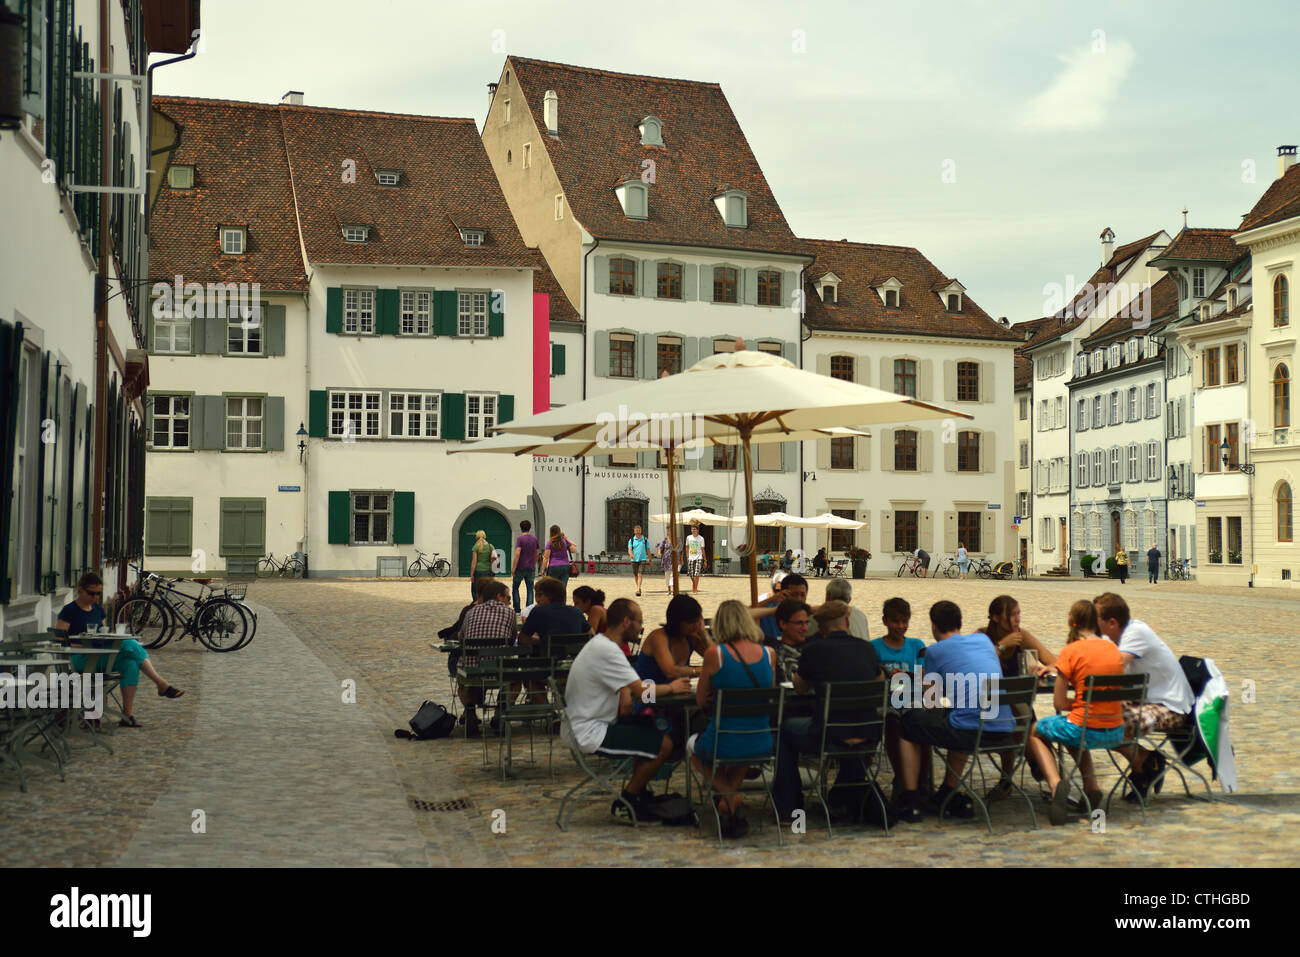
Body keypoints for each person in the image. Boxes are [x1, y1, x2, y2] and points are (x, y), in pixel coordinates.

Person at [560, 598, 691, 824]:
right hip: (590, 731)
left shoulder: (600, 644)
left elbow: (633, 689)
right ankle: (628, 799)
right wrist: (672, 688)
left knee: (649, 728)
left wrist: (632, 690)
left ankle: (639, 793)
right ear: (626, 622)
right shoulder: (609, 651)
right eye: (639, 621)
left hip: (586, 723)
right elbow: (642, 691)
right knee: (664, 744)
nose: (641, 627)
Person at [892, 600, 1015, 822]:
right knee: (961, 715)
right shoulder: (984, 641)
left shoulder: (935, 651)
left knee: (909, 724)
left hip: (971, 731)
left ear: (933, 625)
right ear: (960, 622)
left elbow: (931, 703)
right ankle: (947, 792)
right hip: (1004, 730)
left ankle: (910, 798)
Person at [773, 600, 886, 824]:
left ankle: (789, 807)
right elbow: (879, 681)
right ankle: (840, 797)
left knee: (783, 730)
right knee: (851, 731)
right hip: (868, 733)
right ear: (847, 622)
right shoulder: (867, 648)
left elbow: (799, 687)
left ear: (821, 629)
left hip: (829, 734)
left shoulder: (814, 650)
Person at [1025, 599, 1125, 825]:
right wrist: (1086, 705)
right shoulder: (1112, 648)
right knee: (1073, 726)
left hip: (1085, 729)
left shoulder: (1071, 651)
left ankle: (1055, 784)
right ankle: (1091, 787)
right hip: (1116, 730)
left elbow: (1059, 702)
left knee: (1035, 732)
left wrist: (1082, 705)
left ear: (1072, 621)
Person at [1094, 592, 1194, 799]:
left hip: (1170, 707)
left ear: (1112, 623)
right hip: (1145, 701)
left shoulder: (1136, 632)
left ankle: (1143, 767)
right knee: (1090, 719)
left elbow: (1114, 666)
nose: (1091, 623)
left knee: (1107, 724)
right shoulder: (1111, 637)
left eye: (1095, 619)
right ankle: (1146, 759)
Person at [689, 600, 776, 838]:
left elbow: (701, 700)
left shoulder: (715, 654)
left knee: (693, 749)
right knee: (743, 747)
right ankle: (730, 804)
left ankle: (728, 795)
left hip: (724, 738)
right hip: (760, 740)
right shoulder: (769, 654)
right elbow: (768, 698)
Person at [55, 572, 184, 728]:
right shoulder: (69, 611)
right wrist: (83, 646)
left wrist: (109, 638)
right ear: (80, 590)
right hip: (80, 658)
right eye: (91, 593)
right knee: (129, 644)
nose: (95, 597)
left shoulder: (98, 610)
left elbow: (103, 634)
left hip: (101, 656)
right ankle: (161, 684)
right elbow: (59, 641)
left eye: (98, 593)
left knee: (130, 663)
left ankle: (127, 715)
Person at [978, 594, 1057, 798]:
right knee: (1018, 712)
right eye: (1012, 615)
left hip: (1015, 710)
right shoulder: (982, 637)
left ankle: (1009, 780)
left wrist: (1044, 669)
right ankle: (1040, 763)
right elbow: (977, 665)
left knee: (1016, 710)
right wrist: (1002, 646)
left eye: (1018, 614)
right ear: (996, 617)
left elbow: (1054, 662)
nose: (1017, 619)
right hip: (988, 708)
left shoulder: (1022, 637)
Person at [871, 597, 927, 779]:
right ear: (885, 621)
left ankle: (920, 779)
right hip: (887, 704)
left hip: (913, 702)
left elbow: (924, 677)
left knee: (922, 725)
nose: (901, 626)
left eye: (905, 621)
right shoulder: (874, 647)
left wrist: (905, 676)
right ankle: (902, 777)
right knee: (893, 723)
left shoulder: (917, 645)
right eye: (896, 621)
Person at [455, 578, 517, 735]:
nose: (509, 601)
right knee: (515, 680)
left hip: (472, 670)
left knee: (463, 680)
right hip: (499, 669)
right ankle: (500, 712)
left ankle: (470, 711)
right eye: (508, 597)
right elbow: (512, 639)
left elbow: (462, 638)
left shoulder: (471, 612)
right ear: (498, 596)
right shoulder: (509, 612)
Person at [635, 594, 710, 688]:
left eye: (697, 621)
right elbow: (670, 672)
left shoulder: (692, 638)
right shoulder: (658, 637)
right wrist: (704, 670)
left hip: (676, 695)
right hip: (649, 694)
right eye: (690, 622)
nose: (695, 626)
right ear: (677, 622)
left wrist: (704, 634)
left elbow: (719, 658)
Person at [520, 576, 591, 659]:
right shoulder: (576, 612)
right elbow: (591, 636)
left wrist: (544, 642)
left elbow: (522, 640)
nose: (537, 599)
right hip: (572, 662)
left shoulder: (538, 611)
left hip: (547, 662)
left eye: (540, 595)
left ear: (550, 595)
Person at [754, 573, 807, 643]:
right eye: (794, 595)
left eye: (802, 595)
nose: (799, 599)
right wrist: (770, 600)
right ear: (783, 594)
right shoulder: (766, 613)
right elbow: (743, 614)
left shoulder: (809, 615)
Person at [771, 599, 812, 683]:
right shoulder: (771, 647)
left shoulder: (813, 646)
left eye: (806, 623)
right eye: (799, 623)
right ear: (783, 624)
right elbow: (743, 618)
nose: (805, 628)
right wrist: (772, 610)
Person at [511, 520, 539, 613]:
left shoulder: (520, 539)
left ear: (521, 528)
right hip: (531, 567)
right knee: (530, 588)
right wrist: (534, 563)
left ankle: (517, 610)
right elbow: (537, 552)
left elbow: (517, 553)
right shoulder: (534, 538)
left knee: (515, 587)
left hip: (520, 566)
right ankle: (529, 609)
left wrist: (513, 567)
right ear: (529, 528)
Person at [540, 525, 577, 594]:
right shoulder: (564, 541)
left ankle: (553, 600)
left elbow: (546, 557)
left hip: (553, 567)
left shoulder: (549, 543)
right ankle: (562, 600)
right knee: (562, 588)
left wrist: (542, 569)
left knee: (552, 588)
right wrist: (567, 539)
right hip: (565, 567)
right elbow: (574, 550)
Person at [469, 529, 495, 601]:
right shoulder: (490, 546)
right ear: (484, 536)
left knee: (475, 589)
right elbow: (493, 559)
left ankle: (476, 603)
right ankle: (486, 602)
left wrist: (471, 574)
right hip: (488, 570)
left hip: (478, 571)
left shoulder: (475, 547)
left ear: (476, 537)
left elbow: (474, 562)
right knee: (487, 588)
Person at [626, 525, 650, 597]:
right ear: (634, 532)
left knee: (640, 574)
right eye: (636, 530)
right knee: (636, 575)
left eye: (639, 530)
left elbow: (648, 550)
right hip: (634, 560)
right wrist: (631, 554)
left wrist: (650, 560)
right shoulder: (631, 540)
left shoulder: (645, 540)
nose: (638, 532)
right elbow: (629, 549)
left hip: (642, 559)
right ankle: (638, 587)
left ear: (641, 531)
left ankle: (638, 589)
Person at [684, 523, 707, 593]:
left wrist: (705, 560)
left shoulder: (701, 538)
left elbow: (703, 549)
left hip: (699, 557)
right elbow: (687, 547)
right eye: (692, 529)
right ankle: (694, 584)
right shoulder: (688, 537)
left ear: (697, 530)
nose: (693, 530)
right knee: (691, 574)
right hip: (690, 557)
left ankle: (695, 588)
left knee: (696, 573)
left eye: (694, 529)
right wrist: (687, 556)